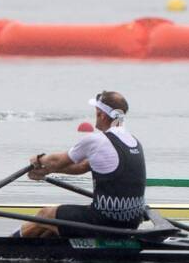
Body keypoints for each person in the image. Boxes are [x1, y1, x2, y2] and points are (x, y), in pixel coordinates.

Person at [21, 91, 147, 238]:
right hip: (132, 221)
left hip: (104, 221)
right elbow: (81, 167)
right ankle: (42, 251)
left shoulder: (96, 140)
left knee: (45, 215)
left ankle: (10, 244)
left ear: (102, 115)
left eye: (96, 112)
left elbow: (58, 161)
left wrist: (39, 160)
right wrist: (46, 171)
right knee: (50, 229)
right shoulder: (134, 141)